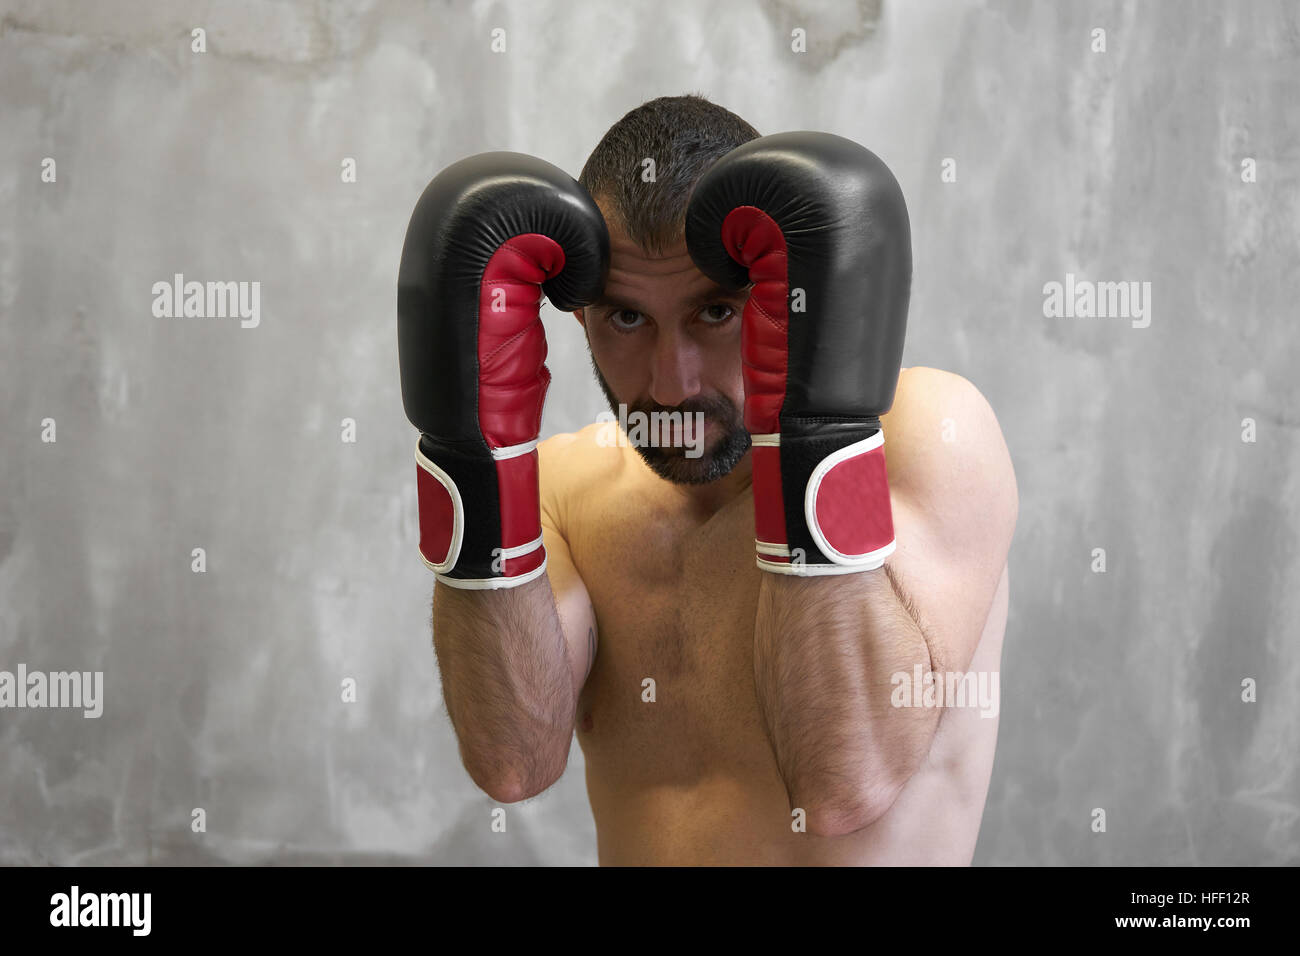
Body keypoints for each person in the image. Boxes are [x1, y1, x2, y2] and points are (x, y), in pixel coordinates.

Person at [398, 94, 1018, 865]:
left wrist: (812, 428)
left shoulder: (926, 433)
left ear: (783, 296)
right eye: (626, 319)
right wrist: (474, 453)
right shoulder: (563, 487)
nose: (669, 383)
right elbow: (513, 762)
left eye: (715, 312)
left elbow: (845, 781)